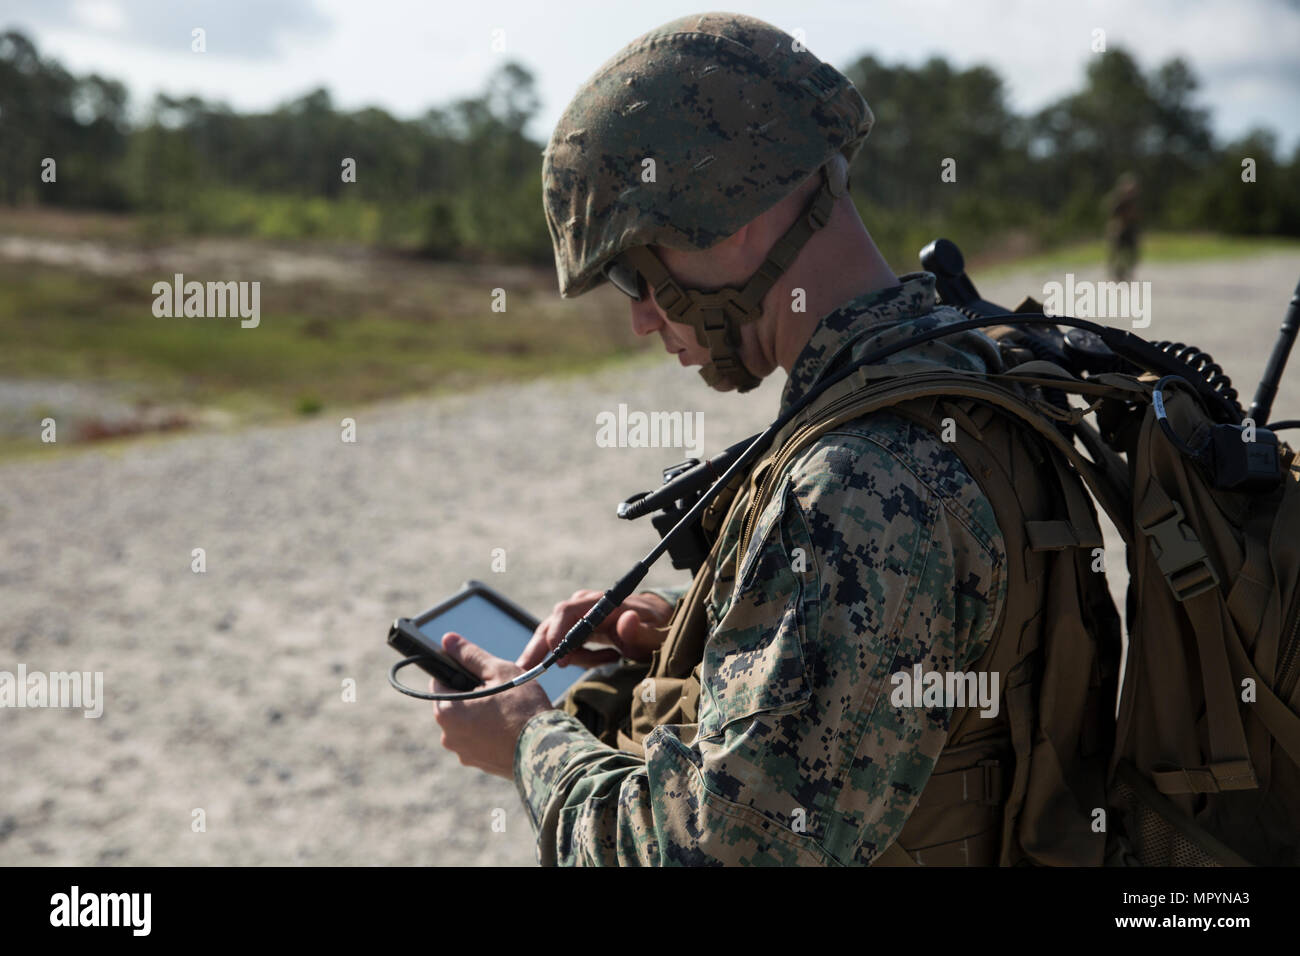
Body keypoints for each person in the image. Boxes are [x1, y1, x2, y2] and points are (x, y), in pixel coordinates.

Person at [429, 13, 1079, 866]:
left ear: (723, 206)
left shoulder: (858, 481)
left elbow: (713, 855)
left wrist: (528, 744)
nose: (638, 318)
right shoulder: (967, 369)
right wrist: (683, 637)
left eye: (636, 270)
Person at [1105, 172, 1141, 282]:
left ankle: (1124, 272)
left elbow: (1136, 217)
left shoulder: (1134, 201)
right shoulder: (1117, 201)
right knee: (1117, 254)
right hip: (1119, 230)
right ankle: (1118, 273)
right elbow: (1112, 217)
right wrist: (1114, 230)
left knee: (1133, 254)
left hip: (1130, 230)